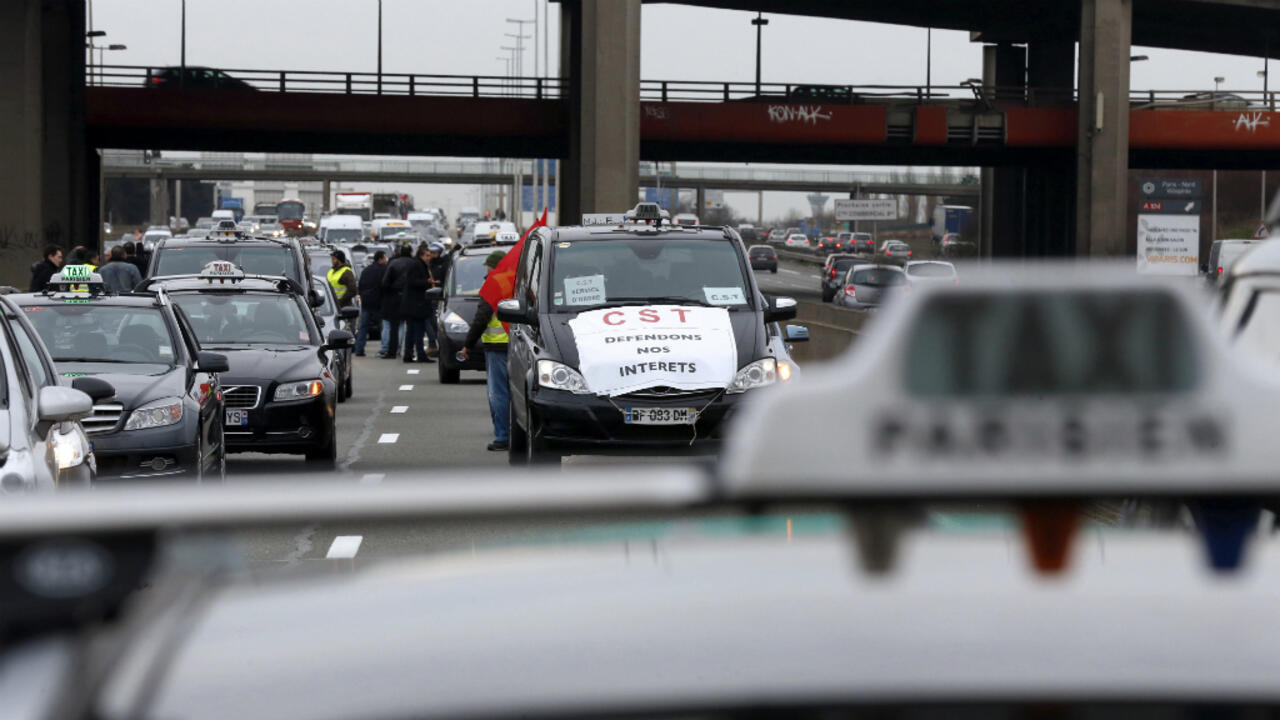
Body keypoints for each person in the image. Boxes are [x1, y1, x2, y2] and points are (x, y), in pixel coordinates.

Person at [461, 250, 510, 451]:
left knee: (498, 393)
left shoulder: (493, 284)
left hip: (497, 346)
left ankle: (502, 437)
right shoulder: (518, 281)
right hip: (519, 345)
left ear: (495, 265)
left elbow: (482, 317)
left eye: (488, 265)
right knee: (517, 392)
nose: (486, 269)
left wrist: (468, 344)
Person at [398, 244, 435, 364]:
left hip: (414, 304)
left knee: (412, 330)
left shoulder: (419, 264)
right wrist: (426, 281)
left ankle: (409, 354)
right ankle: (419, 354)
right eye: (427, 255)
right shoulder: (417, 265)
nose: (429, 258)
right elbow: (412, 282)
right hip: (416, 304)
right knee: (417, 330)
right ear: (421, 255)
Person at [378, 245, 415, 359]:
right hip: (411, 297)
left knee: (394, 326)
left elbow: (385, 283)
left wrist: (390, 292)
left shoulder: (394, 263)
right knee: (412, 326)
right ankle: (410, 352)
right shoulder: (414, 264)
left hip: (395, 297)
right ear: (410, 253)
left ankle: (392, 351)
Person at [354, 250, 387, 357]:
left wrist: (363, 296)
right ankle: (385, 348)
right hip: (378, 302)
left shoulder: (366, 270)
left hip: (366, 302)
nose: (386, 260)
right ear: (380, 259)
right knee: (383, 327)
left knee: (363, 327)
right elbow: (384, 286)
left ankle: (359, 349)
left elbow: (360, 286)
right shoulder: (383, 270)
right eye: (385, 258)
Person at [423, 242, 448, 358]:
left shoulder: (445, 264)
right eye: (431, 253)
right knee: (430, 321)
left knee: (438, 323)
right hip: (430, 297)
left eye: (434, 253)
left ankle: (440, 346)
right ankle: (433, 344)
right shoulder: (429, 264)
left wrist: (441, 284)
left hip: (442, 297)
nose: (432, 255)